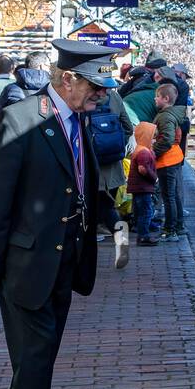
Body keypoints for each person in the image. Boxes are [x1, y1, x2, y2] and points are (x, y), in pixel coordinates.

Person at [0, 39, 118, 389]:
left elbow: (80, 179)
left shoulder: (76, 118)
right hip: (25, 262)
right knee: (35, 354)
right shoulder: (20, 119)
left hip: (63, 259)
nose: (103, 94)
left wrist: (111, 215)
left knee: (40, 352)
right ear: (67, 79)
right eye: (95, 85)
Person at [87, 87, 133, 270]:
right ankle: (121, 238)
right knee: (106, 207)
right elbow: (128, 127)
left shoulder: (84, 97)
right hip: (113, 168)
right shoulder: (114, 96)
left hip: (92, 167)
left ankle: (86, 258)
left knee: (92, 212)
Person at [152, 81, 188, 241]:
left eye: (157, 97)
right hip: (174, 158)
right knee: (174, 196)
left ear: (166, 99)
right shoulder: (173, 114)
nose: (155, 99)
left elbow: (167, 139)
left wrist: (153, 151)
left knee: (168, 197)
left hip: (167, 160)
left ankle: (170, 230)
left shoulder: (165, 116)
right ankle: (179, 226)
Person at [127, 121, 160, 246]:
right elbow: (143, 169)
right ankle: (143, 237)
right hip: (143, 187)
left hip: (138, 188)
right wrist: (154, 178)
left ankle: (141, 234)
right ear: (146, 137)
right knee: (146, 212)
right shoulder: (143, 152)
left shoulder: (140, 149)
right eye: (153, 138)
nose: (154, 141)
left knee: (140, 211)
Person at [0, 49, 52, 113]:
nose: (49, 69)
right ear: (42, 66)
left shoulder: (11, 88)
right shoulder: (54, 88)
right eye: (48, 66)